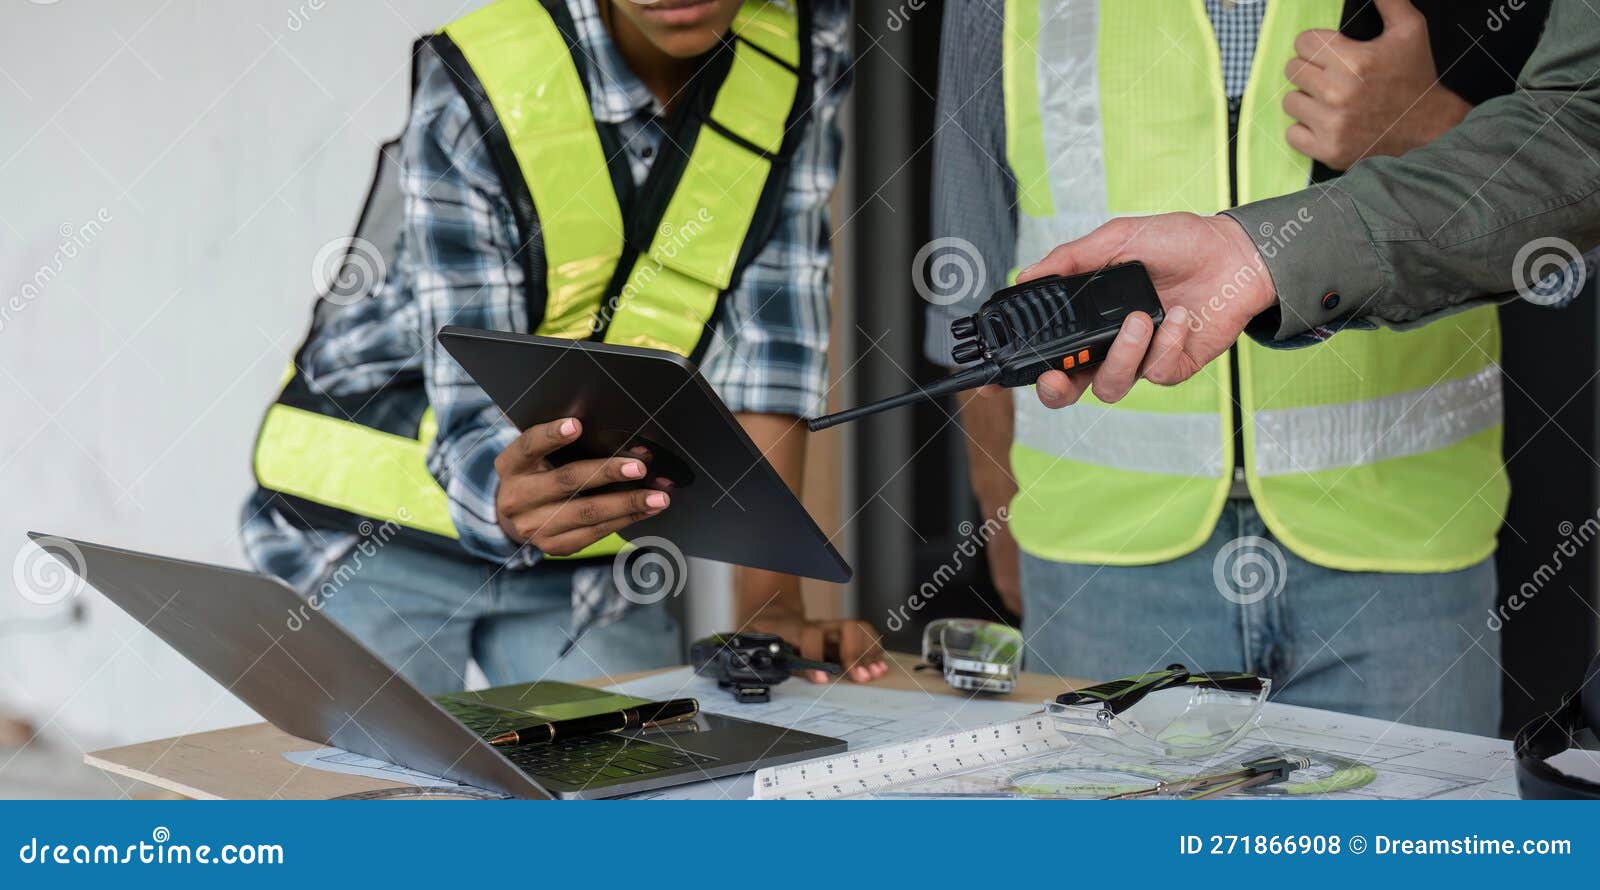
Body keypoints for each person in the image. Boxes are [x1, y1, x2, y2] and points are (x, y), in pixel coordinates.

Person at [930, 0, 1550, 734]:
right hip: (1104, 565)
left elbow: (1569, 214)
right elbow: (968, 288)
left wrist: (1426, 130)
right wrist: (1001, 520)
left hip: (1400, 556)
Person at [243, 0, 887, 695]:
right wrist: (510, 496)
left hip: (582, 544)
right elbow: (469, 386)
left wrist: (771, 607)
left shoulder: (797, 51)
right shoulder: (488, 78)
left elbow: (773, 337)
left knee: (654, 783)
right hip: (365, 535)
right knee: (383, 797)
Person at [1021, 0, 1600, 405]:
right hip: (1096, 515)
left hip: (1395, 512)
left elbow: (1572, 177)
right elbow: (965, 226)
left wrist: (1429, 125)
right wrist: (993, 508)